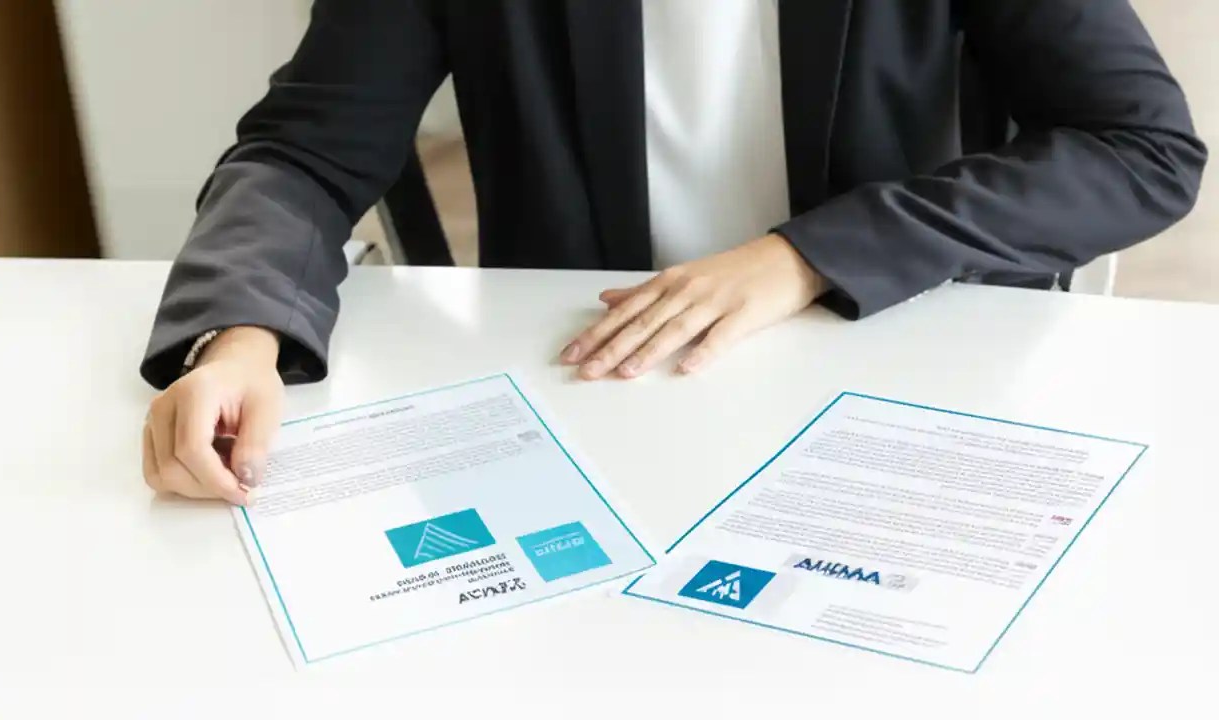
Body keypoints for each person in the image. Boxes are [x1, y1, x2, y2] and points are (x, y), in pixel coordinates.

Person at [139, 0, 1207, 506]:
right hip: (594, 388)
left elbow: (1140, 148)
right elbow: (304, 151)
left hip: (885, 362)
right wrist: (240, 338)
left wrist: (797, 258)